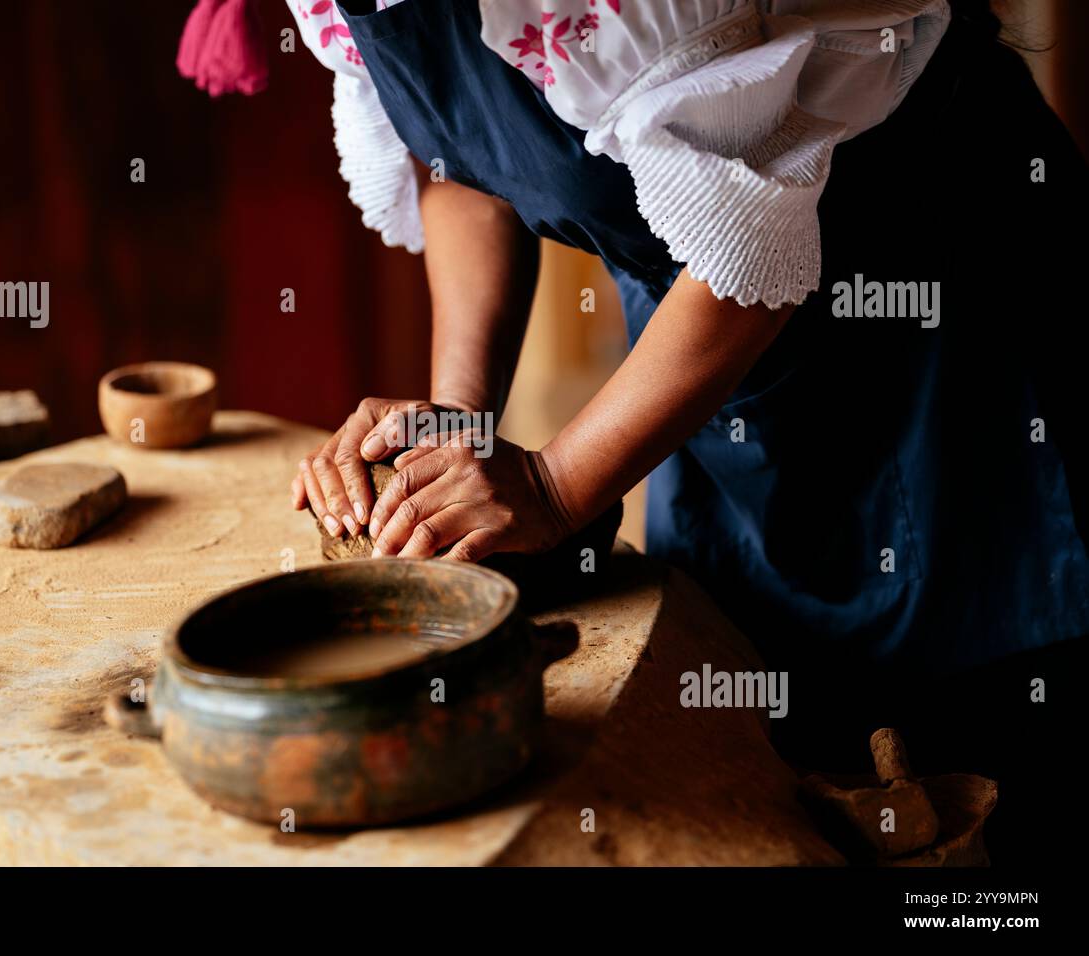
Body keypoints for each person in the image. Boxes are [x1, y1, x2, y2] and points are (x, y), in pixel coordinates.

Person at [180, 0, 1088, 863]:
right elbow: (457, 163)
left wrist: (554, 484)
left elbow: (743, 240)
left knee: (980, 777)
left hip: (936, 318)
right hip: (713, 349)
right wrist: (455, 422)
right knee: (771, 723)